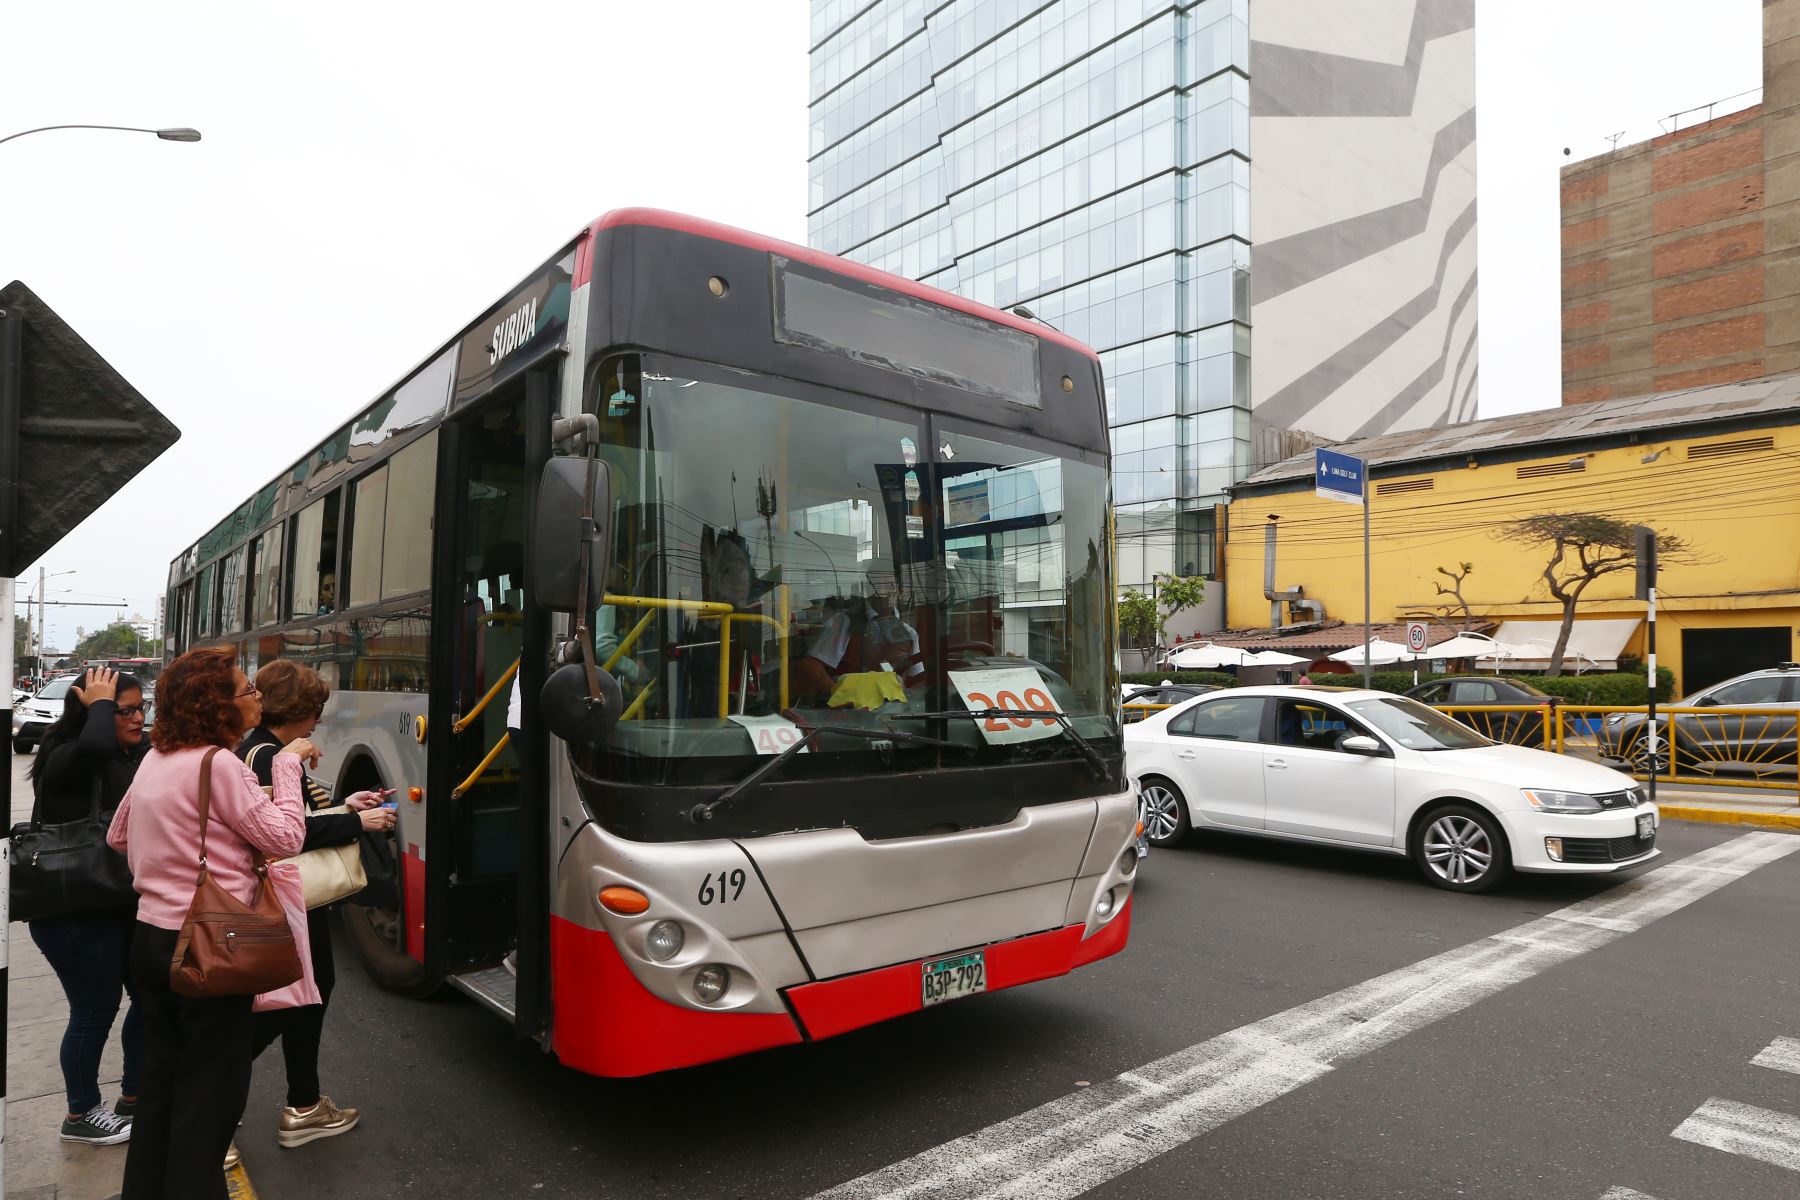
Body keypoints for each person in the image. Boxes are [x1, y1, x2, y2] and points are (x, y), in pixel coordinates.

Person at [107, 646, 308, 1200]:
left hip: (150, 939)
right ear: (217, 705)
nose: (257, 699)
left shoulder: (155, 758)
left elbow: (118, 835)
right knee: (209, 1101)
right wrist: (287, 766)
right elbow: (287, 837)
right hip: (208, 944)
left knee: (162, 1088)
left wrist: (178, 852)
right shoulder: (218, 764)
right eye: (248, 691)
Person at [236, 660, 394, 1152]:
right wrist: (356, 825)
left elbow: (297, 817)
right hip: (288, 897)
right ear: (298, 710)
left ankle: (303, 1104)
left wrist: (348, 805)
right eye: (315, 710)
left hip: (294, 897)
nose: (319, 720)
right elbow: (287, 835)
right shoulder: (267, 757)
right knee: (291, 1000)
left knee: (310, 993)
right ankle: (207, 1093)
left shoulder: (267, 749)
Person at [25, 667, 148, 1146]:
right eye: (125, 711)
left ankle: (136, 1095)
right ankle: (80, 1112)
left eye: (142, 708)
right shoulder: (66, 757)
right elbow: (94, 747)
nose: (138, 718)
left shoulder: (126, 755)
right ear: (92, 712)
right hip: (72, 911)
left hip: (114, 902)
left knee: (148, 996)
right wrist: (99, 702)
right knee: (94, 1011)